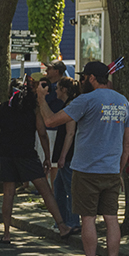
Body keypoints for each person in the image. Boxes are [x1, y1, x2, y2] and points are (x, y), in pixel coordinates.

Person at [36, 61, 129, 256]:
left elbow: (51, 120)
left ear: (91, 78)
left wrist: (41, 98)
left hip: (86, 169)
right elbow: (127, 143)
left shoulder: (85, 100)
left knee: (87, 218)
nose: (80, 82)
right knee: (111, 220)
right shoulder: (123, 101)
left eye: (83, 77)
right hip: (110, 170)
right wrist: (119, 169)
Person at [0, 83, 73, 245]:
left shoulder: (0, 108)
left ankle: (7, 233)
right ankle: (62, 226)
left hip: (6, 154)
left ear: (10, 92)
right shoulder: (33, 109)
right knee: (45, 191)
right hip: (27, 155)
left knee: (8, 194)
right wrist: (46, 156)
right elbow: (42, 134)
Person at [51, 77, 81, 233]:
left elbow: (70, 133)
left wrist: (62, 156)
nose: (55, 91)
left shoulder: (71, 106)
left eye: (57, 88)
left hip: (69, 155)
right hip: (68, 155)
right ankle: (61, 221)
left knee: (69, 189)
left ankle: (73, 222)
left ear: (64, 89)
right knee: (59, 187)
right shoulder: (68, 105)